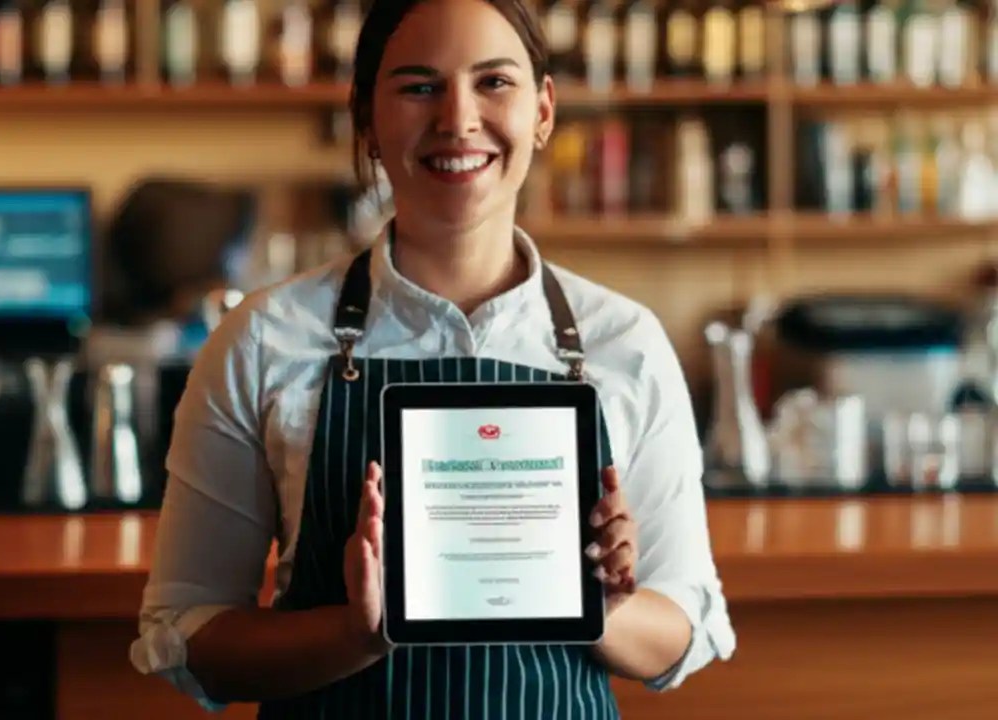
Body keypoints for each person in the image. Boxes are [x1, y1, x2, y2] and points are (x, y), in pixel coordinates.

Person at [129, 0, 736, 716]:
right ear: (367, 119)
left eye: (494, 82)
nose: (457, 118)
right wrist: (358, 634)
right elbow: (189, 636)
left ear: (543, 111)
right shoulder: (263, 340)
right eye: (419, 86)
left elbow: (685, 626)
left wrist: (596, 607)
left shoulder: (624, 343)